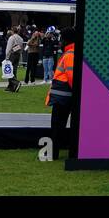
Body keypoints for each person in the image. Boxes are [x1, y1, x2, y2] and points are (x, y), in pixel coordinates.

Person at [46, 27, 77, 159]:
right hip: (64, 97)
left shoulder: (70, 54)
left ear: (65, 39)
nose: (60, 42)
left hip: (62, 98)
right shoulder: (70, 52)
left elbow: (72, 78)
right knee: (59, 126)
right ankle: (54, 152)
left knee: (57, 126)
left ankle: (53, 154)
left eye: (61, 39)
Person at [4, 27, 24, 92]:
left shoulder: (11, 37)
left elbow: (8, 48)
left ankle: (16, 83)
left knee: (9, 71)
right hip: (17, 55)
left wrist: (7, 57)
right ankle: (11, 87)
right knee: (14, 70)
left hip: (11, 55)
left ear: (12, 31)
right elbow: (21, 48)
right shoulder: (21, 38)